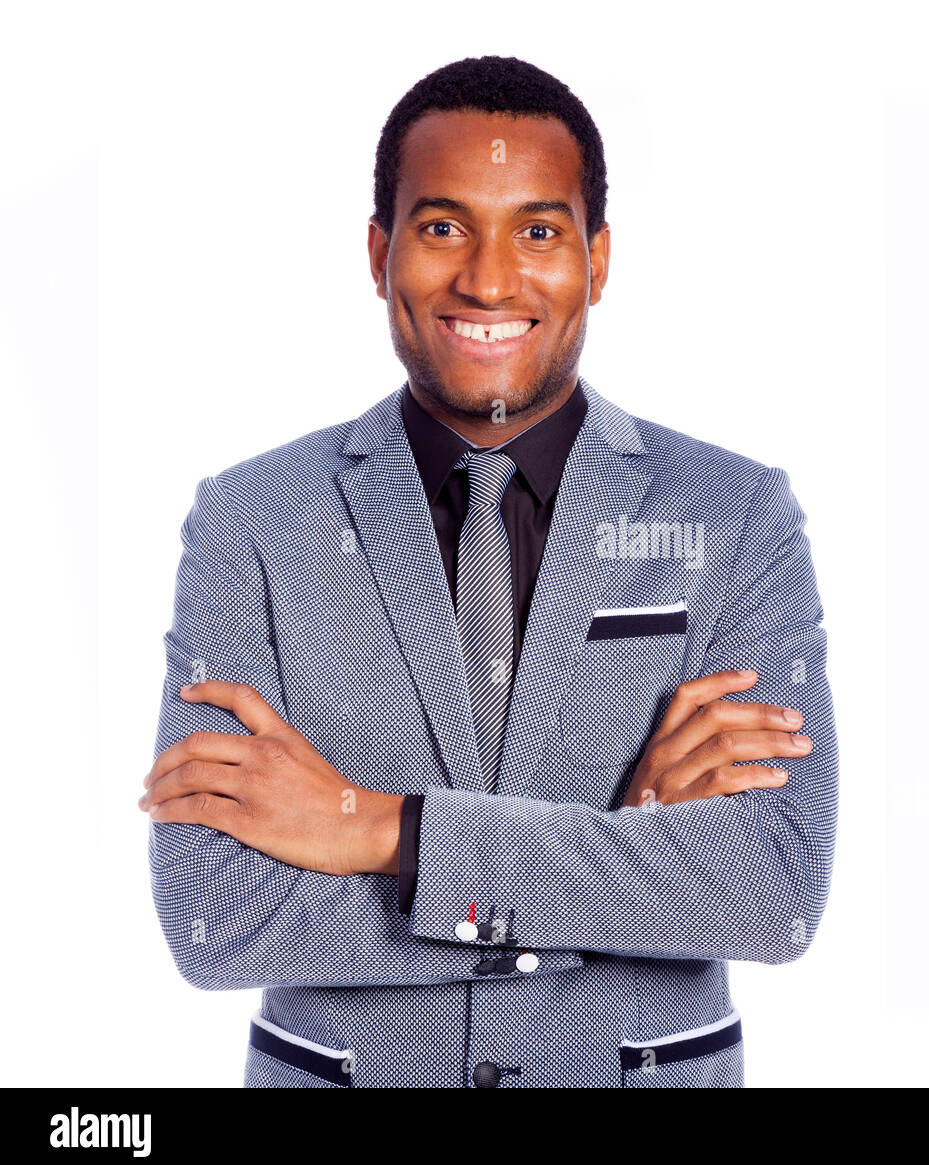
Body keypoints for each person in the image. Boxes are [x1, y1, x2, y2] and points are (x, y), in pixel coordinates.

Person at [140, 55, 838, 1088]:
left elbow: (774, 888)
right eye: (442, 226)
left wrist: (376, 827)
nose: (490, 279)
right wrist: (623, 861)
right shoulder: (252, 519)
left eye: (540, 231)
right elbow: (213, 914)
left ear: (598, 261)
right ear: (380, 254)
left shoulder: (734, 515)